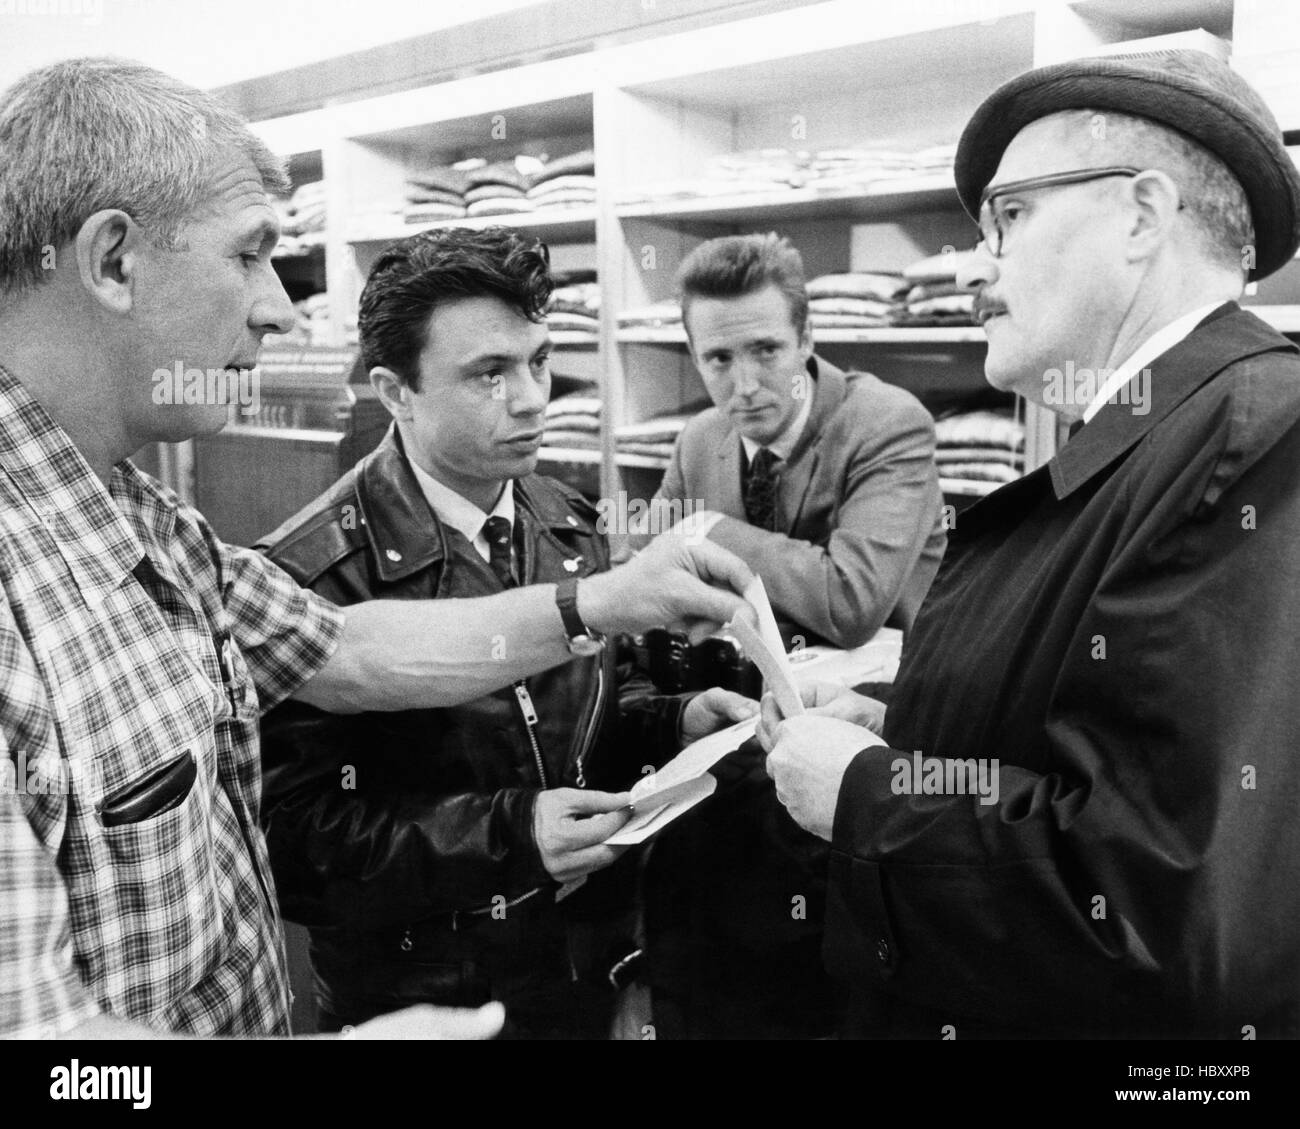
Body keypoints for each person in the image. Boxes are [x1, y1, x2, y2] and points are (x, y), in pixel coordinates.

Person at [0, 57, 752, 1040]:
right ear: (111, 261)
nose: (281, 306)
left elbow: (347, 650)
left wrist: (597, 603)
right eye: (250, 255)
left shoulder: (150, 526)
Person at [762, 49, 1300, 1039]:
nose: (974, 263)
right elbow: (1085, 734)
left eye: (1009, 215)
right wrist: (907, 712)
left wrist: (862, 793)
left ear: (1142, 216)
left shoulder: (1256, 435)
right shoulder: (1162, 433)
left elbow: (1159, 910)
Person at [255, 226, 757, 1038]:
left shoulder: (566, 523)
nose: (531, 397)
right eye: (489, 372)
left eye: (539, 360)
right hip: (426, 1002)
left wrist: (672, 718)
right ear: (394, 391)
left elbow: (587, 705)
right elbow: (298, 846)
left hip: (581, 971)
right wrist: (508, 833)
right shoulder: (309, 576)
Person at [645, 232, 946, 648]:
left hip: (881, 698)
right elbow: (634, 572)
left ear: (805, 340)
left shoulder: (888, 423)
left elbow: (850, 606)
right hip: (740, 690)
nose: (746, 385)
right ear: (694, 356)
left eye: (766, 350)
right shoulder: (700, 437)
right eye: (720, 358)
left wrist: (707, 529)